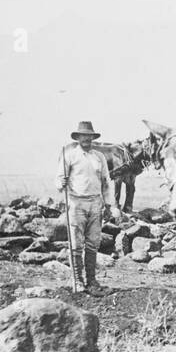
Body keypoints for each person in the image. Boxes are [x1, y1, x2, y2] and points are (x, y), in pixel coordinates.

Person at [54, 120, 121, 295]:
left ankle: (91, 280)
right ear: (77, 138)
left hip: (95, 203)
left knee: (93, 243)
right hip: (76, 203)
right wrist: (61, 183)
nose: (86, 139)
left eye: (89, 136)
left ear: (93, 137)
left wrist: (109, 205)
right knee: (76, 244)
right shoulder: (69, 155)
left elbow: (106, 182)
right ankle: (77, 281)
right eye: (83, 136)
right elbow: (58, 180)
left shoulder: (99, 157)